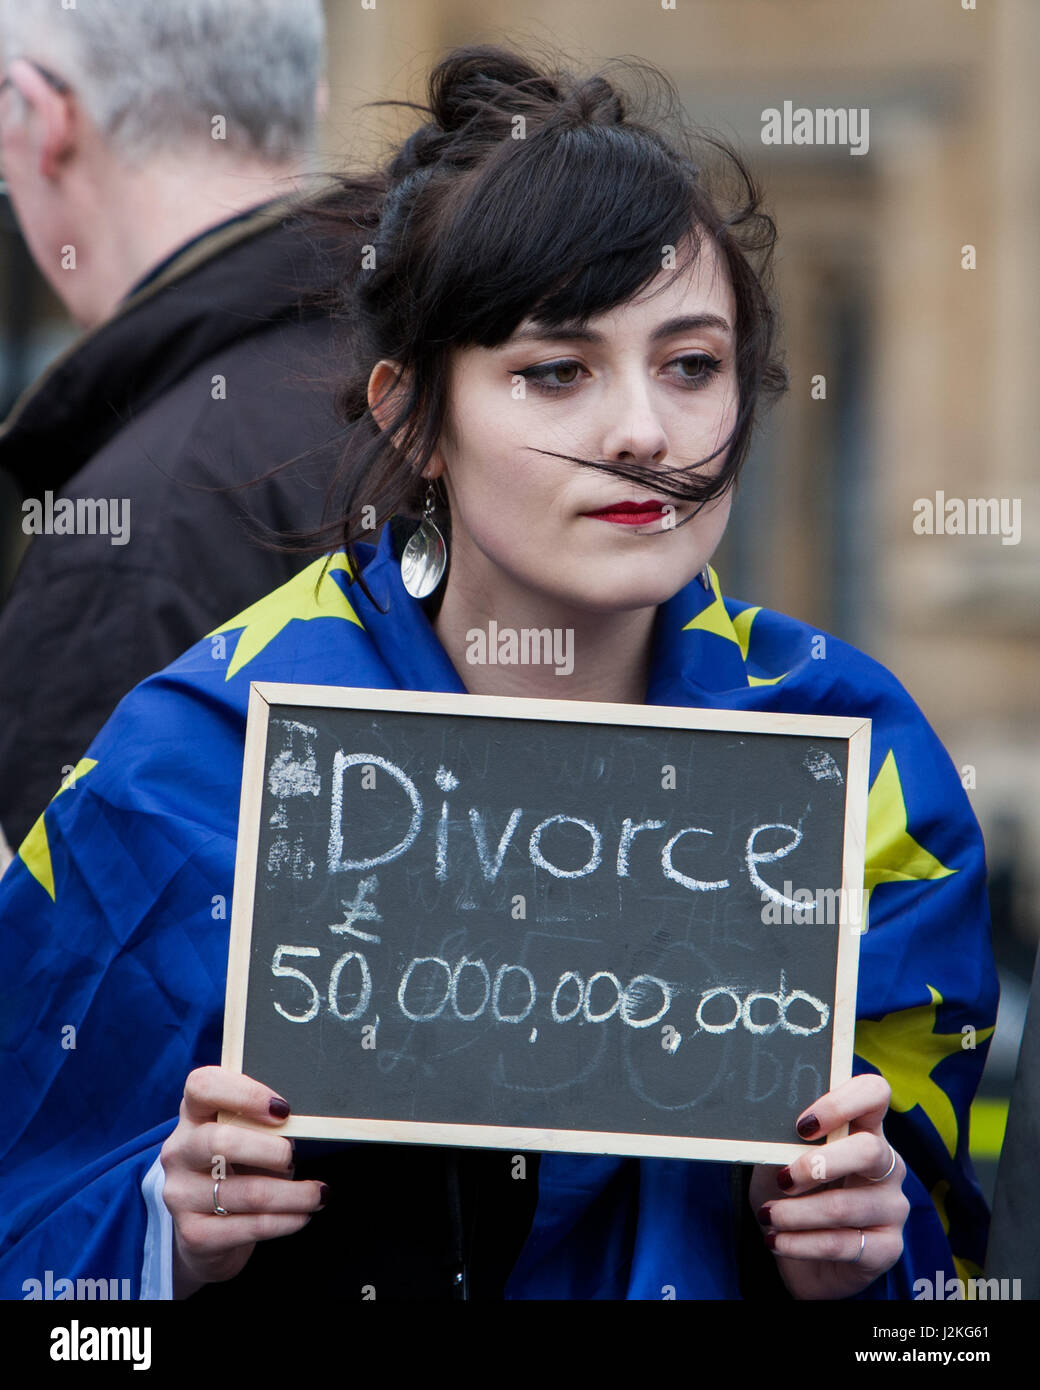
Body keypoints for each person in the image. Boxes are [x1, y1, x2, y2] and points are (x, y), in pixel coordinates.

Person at [0, 46, 996, 1302]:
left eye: (690, 365)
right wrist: (162, 1227)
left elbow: (943, 1286)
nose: (642, 429)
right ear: (412, 414)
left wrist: (856, 1259)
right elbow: (32, 1216)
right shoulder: (194, 754)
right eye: (555, 371)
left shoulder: (864, 763)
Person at [0, 0, 370, 853]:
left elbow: (86, 961)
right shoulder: (439, 381)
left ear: (44, 119)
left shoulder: (142, 526)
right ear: (310, 103)